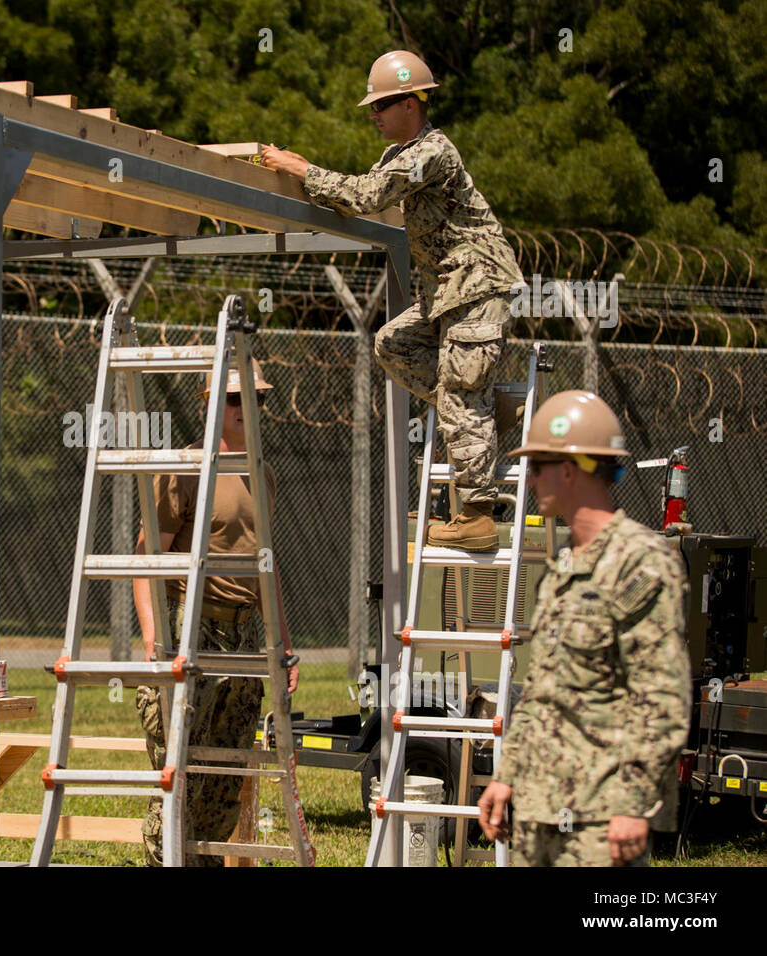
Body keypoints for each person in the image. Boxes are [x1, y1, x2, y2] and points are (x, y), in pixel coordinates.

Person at [261, 50, 524, 551]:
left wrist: (302, 168)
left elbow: (364, 195)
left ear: (412, 103)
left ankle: (477, 515)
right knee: (393, 343)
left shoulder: (432, 152)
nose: (374, 115)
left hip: (476, 287)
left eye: (381, 105)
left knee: (460, 393)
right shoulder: (399, 156)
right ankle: (477, 408)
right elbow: (359, 195)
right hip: (446, 296)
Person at [476, 390, 690, 866]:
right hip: (538, 811)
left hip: (600, 820)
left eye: (537, 467)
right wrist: (506, 775)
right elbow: (542, 688)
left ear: (569, 469)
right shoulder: (562, 566)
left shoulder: (641, 562)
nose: (529, 479)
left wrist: (634, 806)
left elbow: (661, 697)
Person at [132, 357, 298, 866]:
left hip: (246, 636)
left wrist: (283, 645)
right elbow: (147, 561)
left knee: (226, 777)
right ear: (211, 405)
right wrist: (156, 643)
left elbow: (265, 568)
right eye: (234, 397)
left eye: (258, 396)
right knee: (180, 772)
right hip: (193, 627)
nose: (248, 405)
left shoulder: (262, 473)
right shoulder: (185, 467)